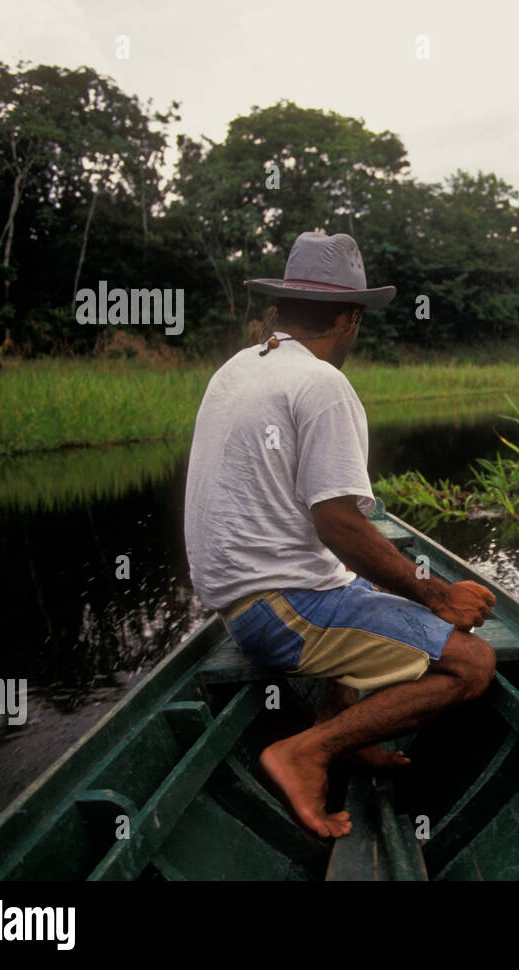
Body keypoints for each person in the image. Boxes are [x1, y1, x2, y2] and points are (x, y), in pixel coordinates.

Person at [183, 230, 497, 839]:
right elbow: (340, 525)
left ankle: (343, 722)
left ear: (284, 306)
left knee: (348, 581)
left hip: (239, 600)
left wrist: (405, 589)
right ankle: (309, 750)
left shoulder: (239, 367)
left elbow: (330, 544)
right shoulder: (323, 384)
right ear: (350, 317)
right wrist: (435, 594)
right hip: (275, 612)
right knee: (472, 665)